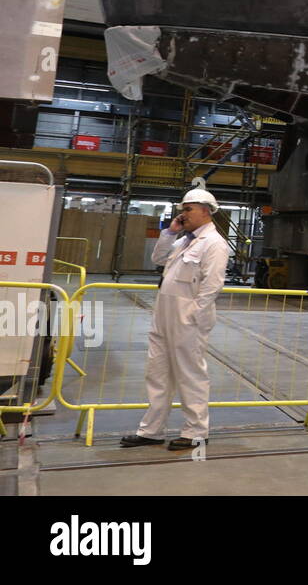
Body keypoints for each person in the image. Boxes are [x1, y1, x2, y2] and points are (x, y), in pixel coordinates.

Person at [121, 187, 228, 451]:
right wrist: (170, 232)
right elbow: (157, 257)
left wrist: (194, 316)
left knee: (190, 375)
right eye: (182, 209)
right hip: (163, 314)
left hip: (188, 318)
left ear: (206, 211)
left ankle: (195, 432)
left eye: (188, 209)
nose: (183, 214)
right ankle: (152, 430)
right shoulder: (182, 240)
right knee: (157, 372)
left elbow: (212, 287)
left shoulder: (214, 244)